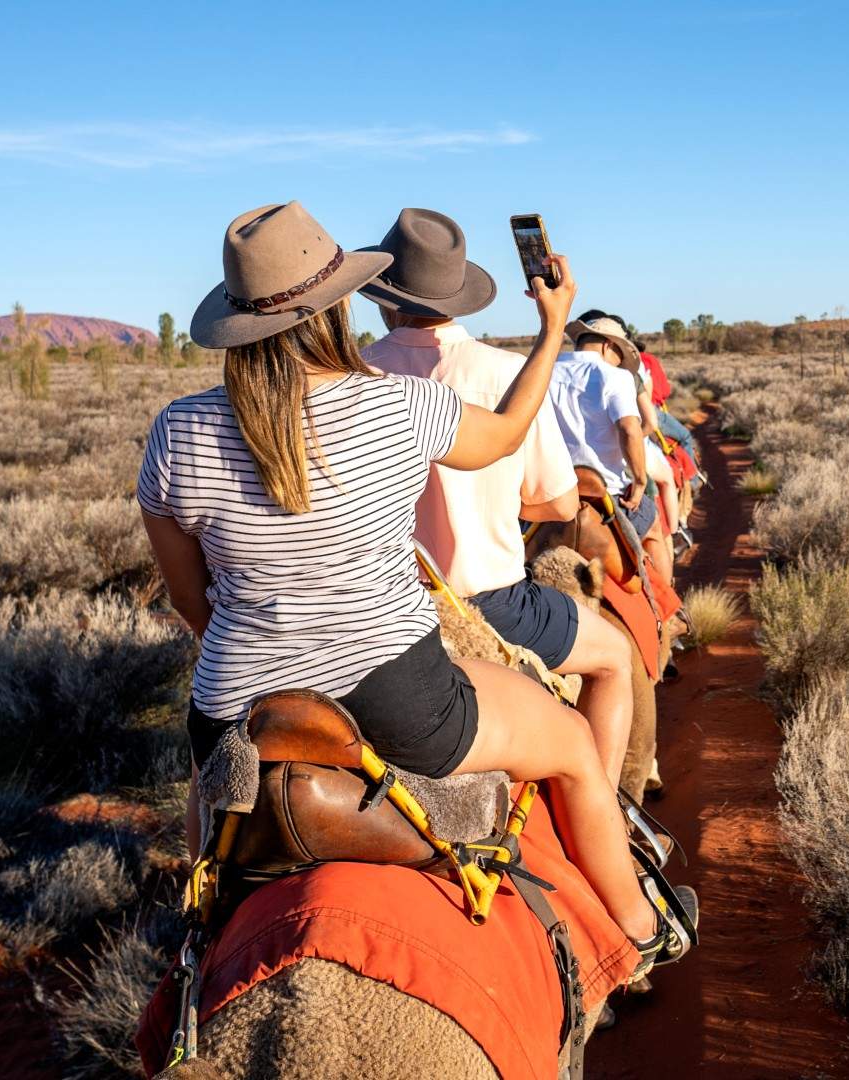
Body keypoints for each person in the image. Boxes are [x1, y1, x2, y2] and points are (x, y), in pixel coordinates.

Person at [137, 202, 692, 973]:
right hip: (394, 693)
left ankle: (196, 951)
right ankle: (641, 931)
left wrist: (268, 656)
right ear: (333, 307)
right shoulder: (396, 406)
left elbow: (191, 601)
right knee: (567, 744)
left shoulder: (177, 431)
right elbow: (503, 431)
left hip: (236, 707)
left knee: (211, 854)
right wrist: (551, 328)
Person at [357, 209, 637, 787]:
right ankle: (606, 810)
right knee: (614, 660)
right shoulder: (510, 373)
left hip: (384, 609)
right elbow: (559, 505)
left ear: (383, 298)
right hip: (492, 603)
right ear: (459, 298)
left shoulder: (354, 377)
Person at [550, 315, 674, 584]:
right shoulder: (614, 377)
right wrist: (640, 481)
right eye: (621, 356)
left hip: (551, 495)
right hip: (605, 496)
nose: (621, 364)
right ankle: (666, 612)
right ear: (608, 346)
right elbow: (630, 429)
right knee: (652, 525)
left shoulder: (543, 371)